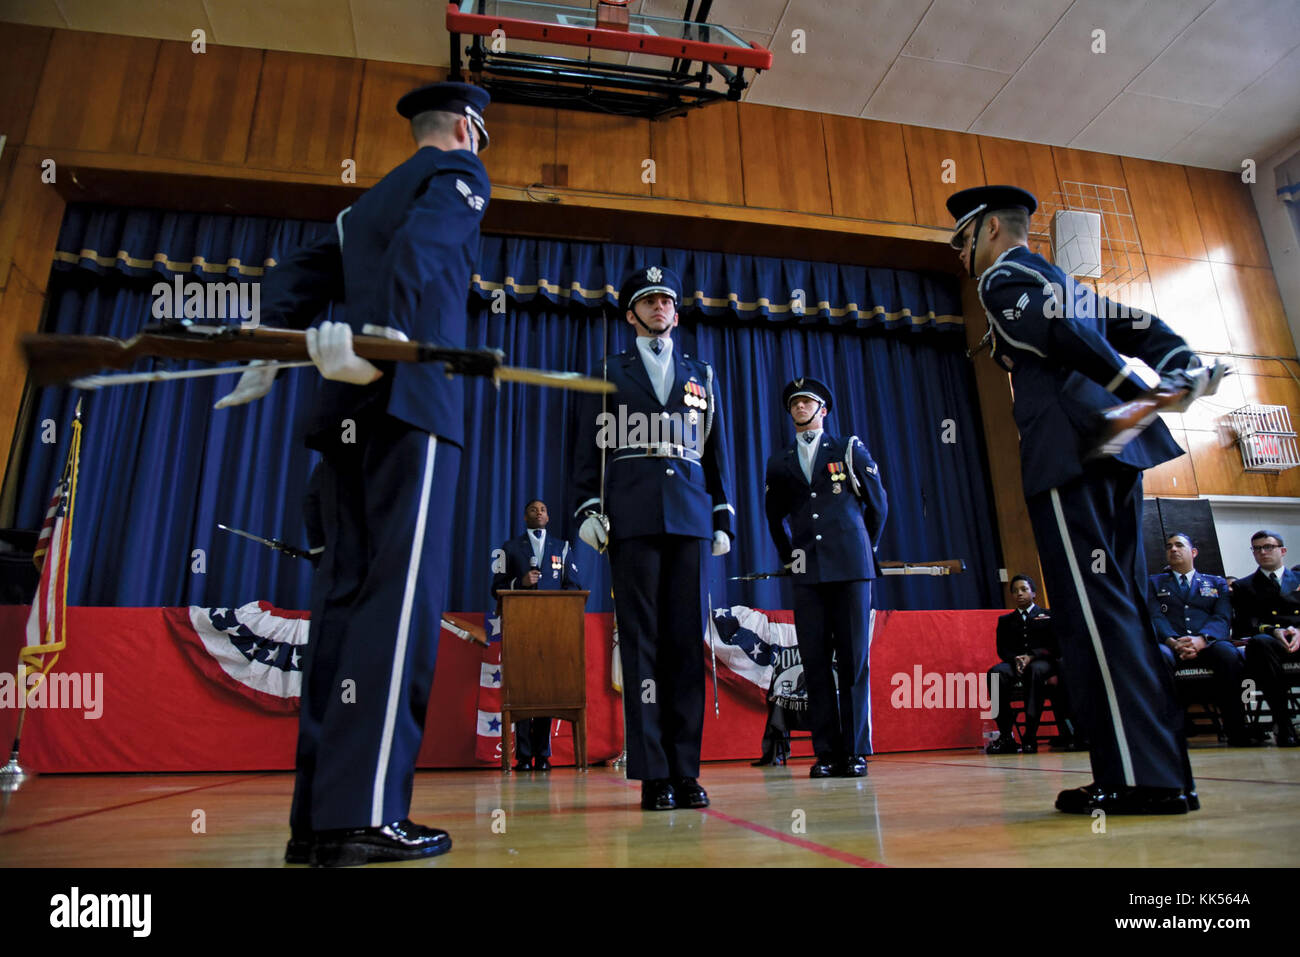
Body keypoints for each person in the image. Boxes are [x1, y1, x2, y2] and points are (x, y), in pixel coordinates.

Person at [215, 82, 492, 863]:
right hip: (407, 401)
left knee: (343, 606)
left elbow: (292, 281)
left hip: (344, 410)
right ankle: (365, 813)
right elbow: (426, 253)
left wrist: (266, 348)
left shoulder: (357, 208)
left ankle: (320, 818)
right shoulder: (458, 176)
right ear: (469, 128)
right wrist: (384, 339)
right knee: (399, 609)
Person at [947, 183, 1222, 815]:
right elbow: (1141, 326)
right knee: (1123, 611)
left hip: (1073, 454)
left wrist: (1134, 391)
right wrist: (1179, 367)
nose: (961, 255)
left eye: (963, 240)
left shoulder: (1004, 278)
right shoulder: (1065, 281)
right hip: (1118, 456)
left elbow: (1066, 334)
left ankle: (1137, 780)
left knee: (1093, 621)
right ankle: (1157, 772)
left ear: (989, 230)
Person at [571, 265, 735, 811]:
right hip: (633, 513)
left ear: (676, 312)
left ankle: (686, 769)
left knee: (686, 642)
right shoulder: (608, 369)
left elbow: (714, 451)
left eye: (667, 299)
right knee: (641, 644)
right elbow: (587, 447)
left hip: (689, 515)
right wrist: (588, 508)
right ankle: (653, 773)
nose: (660, 306)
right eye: (649, 300)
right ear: (630, 314)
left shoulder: (701, 374)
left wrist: (722, 515)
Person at [762, 377, 888, 778]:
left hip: (851, 567)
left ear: (823, 409)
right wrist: (789, 557)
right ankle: (827, 753)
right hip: (808, 571)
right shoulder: (779, 461)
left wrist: (863, 549)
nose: (800, 407)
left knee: (853, 660)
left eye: (808, 402)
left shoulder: (848, 448)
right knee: (814, 663)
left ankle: (854, 751)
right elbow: (773, 516)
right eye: (795, 403)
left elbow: (878, 504)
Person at [491, 498, 583, 770]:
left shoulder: (563, 547)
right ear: (525, 517)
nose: (539, 512)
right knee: (522, 691)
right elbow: (495, 587)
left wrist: (557, 606)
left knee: (546, 691)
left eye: (543, 508)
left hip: (553, 630)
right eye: (533, 509)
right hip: (521, 631)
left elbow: (574, 585)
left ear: (548, 515)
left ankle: (542, 755)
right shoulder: (508, 548)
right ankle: (523, 756)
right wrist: (520, 582)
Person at [1147, 532, 1256, 746]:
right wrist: (1173, 641)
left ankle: (1237, 730)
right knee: (1158, 655)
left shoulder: (1215, 583)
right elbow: (1155, 616)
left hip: (1208, 644)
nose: (1173, 549)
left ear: (1193, 552)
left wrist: (1202, 640)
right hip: (1171, 644)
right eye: (1169, 546)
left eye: (1179, 545)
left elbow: (1222, 617)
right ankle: (1175, 732)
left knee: (1228, 654)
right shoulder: (1153, 583)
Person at [986, 574, 1076, 754]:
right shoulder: (1005, 621)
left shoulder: (1047, 616)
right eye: (1015, 591)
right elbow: (1002, 649)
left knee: (1034, 671)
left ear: (1033, 593)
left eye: (1024, 589)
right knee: (995, 673)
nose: (1019, 594)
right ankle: (1006, 735)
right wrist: (1017, 659)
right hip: (1016, 663)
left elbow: (1056, 647)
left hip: (1043, 663)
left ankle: (1030, 734)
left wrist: (1032, 656)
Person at [1234, 531, 1300, 746]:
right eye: (1257, 548)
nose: (1262, 552)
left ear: (1282, 550)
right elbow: (1245, 624)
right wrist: (1272, 630)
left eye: (1268, 547)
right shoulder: (1244, 586)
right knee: (1259, 644)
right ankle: (1284, 723)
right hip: (1270, 643)